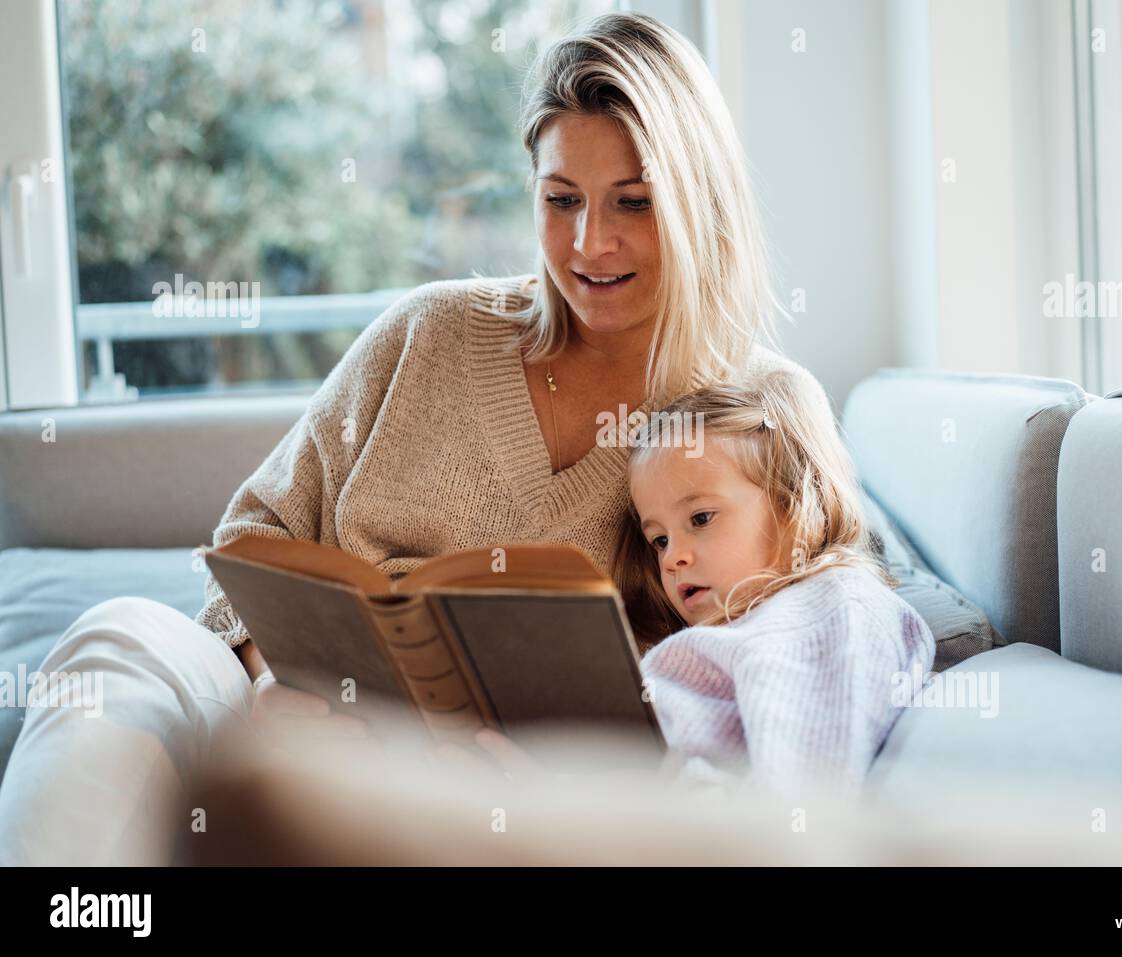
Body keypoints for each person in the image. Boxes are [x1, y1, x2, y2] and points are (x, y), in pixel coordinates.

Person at [0, 12, 841, 865]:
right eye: (561, 200)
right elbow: (251, 539)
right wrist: (265, 680)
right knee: (121, 638)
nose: (590, 243)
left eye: (634, 202)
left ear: (701, 200)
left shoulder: (751, 405)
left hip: (513, 794)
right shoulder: (429, 331)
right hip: (305, 717)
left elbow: (811, 609)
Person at [612, 370, 937, 799]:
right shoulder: (742, 623)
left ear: (792, 508)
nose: (672, 558)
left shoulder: (826, 605)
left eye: (701, 518)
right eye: (660, 540)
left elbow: (805, 785)